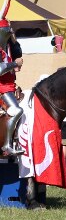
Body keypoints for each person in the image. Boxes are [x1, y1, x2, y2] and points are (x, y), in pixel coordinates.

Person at [0, 19, 24, 155]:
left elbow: (17, 51)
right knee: (17, 110)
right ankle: (7, 145)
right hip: (2, 86)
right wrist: (15, 64)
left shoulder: (7, 47)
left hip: (9, 85)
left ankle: (15, 140)